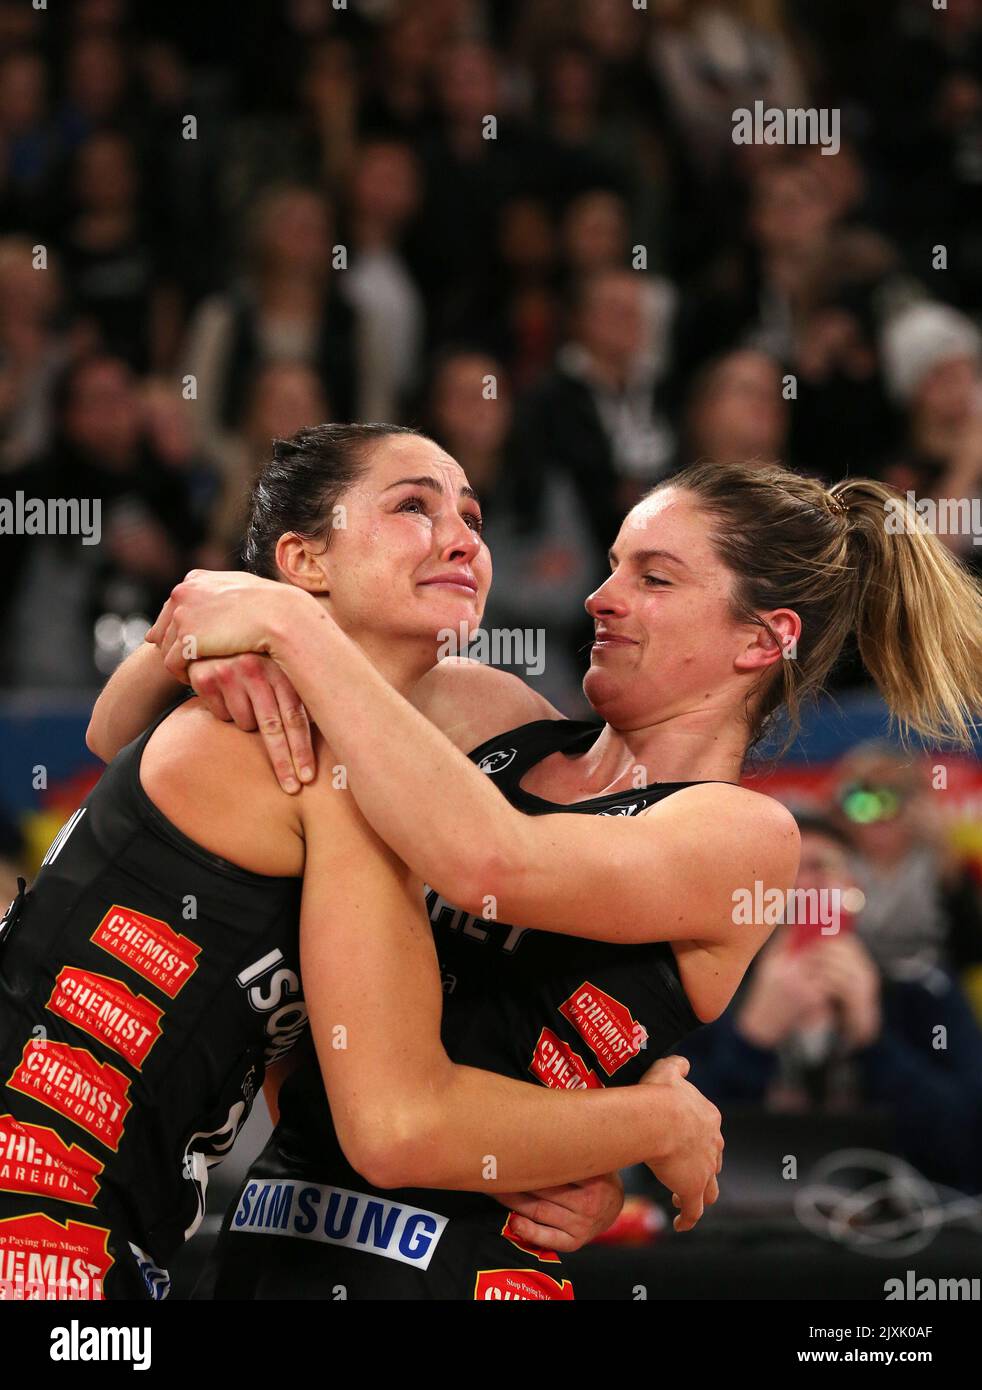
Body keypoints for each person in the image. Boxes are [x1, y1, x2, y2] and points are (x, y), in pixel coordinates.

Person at [111, 451, 982, 1297]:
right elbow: (127, 743)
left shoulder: (743, 836)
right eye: (612, 567)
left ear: (763, 638)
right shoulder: (484, 709)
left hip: (461, 1270)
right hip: (272, 1239)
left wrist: (288, 626)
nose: (601, 599)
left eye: (656, 578)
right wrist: (208, 653)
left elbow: (489, 863)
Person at [0, 425, 726, 1302]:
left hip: (97, 1228)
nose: (460, 536)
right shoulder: (319, 758)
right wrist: (655, 1121)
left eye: (472, 515)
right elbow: (401, 1120)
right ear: (304, 560)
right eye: (412, 507)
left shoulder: (347, 718)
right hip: (45, 1232)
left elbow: (112, 734)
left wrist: (573, 1154)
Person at [679, 812, 982, 1194]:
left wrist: (873, 1040)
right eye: (786, 872)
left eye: (821, 868)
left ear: (854, 887)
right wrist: (752, 1038)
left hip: (897, 1230)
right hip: (736, 1232)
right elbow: (665, 1148)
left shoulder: (922, 989)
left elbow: (965, 1148)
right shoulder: (705, 990)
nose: (805, 886)